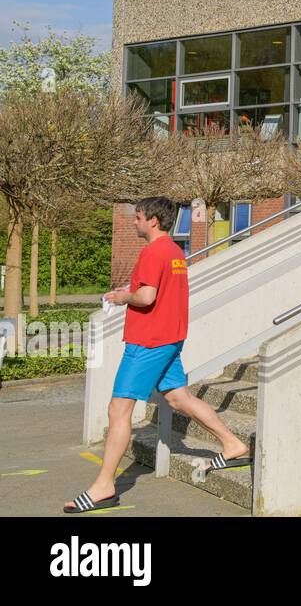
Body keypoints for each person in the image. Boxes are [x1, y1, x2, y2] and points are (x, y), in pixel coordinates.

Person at [63, 196, 250, 513]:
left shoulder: (152, 252)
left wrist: (122, 296)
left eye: (137, 217)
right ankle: (233, 444)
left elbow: (146, 297)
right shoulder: (175, 252)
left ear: (152, 220)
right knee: (179, 398)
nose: (134, 221)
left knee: (118, 408)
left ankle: (104, 486)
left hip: (148, 342)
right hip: (170, 338)